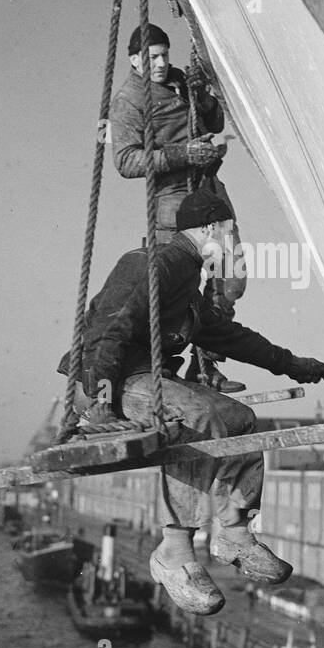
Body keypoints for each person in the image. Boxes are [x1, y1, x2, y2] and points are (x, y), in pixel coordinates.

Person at [57, 183, 324, 616]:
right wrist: (100, 402)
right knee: (198, 416)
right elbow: (110, 330)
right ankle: (174, 552)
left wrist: (294, 364)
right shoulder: (152, 265)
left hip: (143, 379)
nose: (236, 247)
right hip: (109, 381)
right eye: (231, 233)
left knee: (240, 419)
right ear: (210, 228)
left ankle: (235, 532)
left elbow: (227, 336)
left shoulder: (187, 280)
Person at [109, 23, 245, 389]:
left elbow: (214, 121)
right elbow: (124, 161)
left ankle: (206, 367)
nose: (161, 62)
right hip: (172, 200)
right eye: (153, 57)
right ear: (135, 60)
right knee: (178, 288)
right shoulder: (128, 101)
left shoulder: (181, 81)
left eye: (165, 54)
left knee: (228, 279)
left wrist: (202, 96)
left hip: (208, 193)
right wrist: (182, 154)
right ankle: (163, 368)